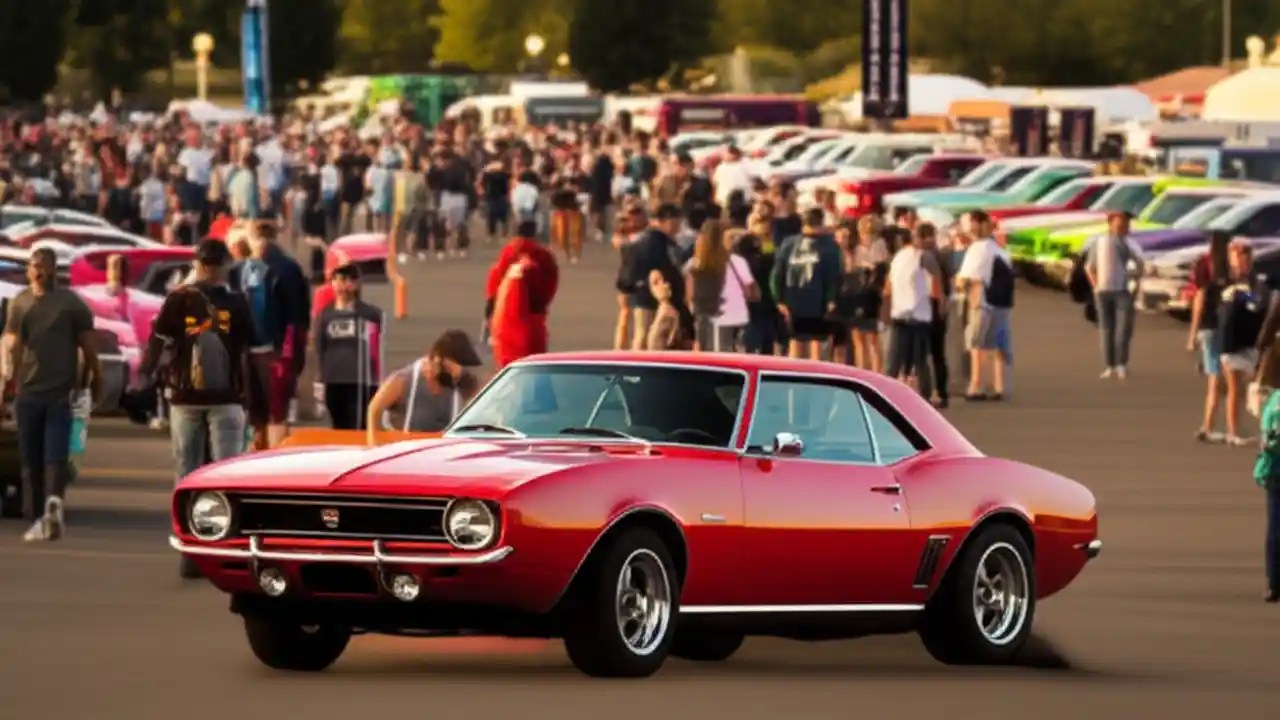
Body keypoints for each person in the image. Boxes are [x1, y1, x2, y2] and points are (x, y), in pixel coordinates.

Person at [138, 239, 260, 575]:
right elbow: (253, 352)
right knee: (225, 477)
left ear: (197, 263)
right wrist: (259, 405)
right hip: (225, 400)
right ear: (224, 265)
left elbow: (157, 343)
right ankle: (223, 548)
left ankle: (191, 551)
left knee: (187, 475)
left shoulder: (178, 299)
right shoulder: (236, 303)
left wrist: (144, 380)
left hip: (186, 399)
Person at [2, 248, 102, 541]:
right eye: (35, 267)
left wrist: (95, 377)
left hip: (60, 393)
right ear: (29, 270)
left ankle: (53, 504)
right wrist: (4, 387)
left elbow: (88, 347)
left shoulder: (71, 304)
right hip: (28, 393)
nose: (40, 272)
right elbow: (13, 347)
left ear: (55, 270)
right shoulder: (20, 303)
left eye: (45, 267)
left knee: (55, 455)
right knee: (30, 460)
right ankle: (37, 517)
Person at [228, 221, 310, 449]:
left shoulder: (282, 269)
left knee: (271, 413)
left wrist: (291, 355)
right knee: (261, 414)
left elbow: (297, 317)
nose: (262, 242)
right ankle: (262, 457)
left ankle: (270, 459)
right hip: (257, 352)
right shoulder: (239, 271)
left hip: (269, 351)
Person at [366, 330, 484, 443]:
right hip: (405, 452)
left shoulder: (459, 382)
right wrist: (375, 443)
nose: (456, 374)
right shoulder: (403, 380)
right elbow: (374, 409)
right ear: (438, 358)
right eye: (452, 368)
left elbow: (485, 397)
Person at [315, 265, 384, 430]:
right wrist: (319, 381)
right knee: (339, 426)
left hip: (360, 380)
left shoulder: (370, 314)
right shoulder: (325, 315)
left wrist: (377, 378)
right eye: (337, 280)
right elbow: (320, 347)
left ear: (356, 284)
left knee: (358, 425)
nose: (342, 285)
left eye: (346, 280)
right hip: (334, 380)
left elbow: (376, 348)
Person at [955, 210, 1013, 401]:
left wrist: (958, 285)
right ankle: (998, 386)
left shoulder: (978, 248)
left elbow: (965, 279)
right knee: (995, 344)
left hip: (981, 302)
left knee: (976, 344)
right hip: (1001, 303)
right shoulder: (998, 249)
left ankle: (976, 385)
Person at [486, 221, 560, 369]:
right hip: (534, 318)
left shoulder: (507, 254)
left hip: (506, 320)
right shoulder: (544, 257)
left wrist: (490, 313)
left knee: (508, 367)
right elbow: (550, 285)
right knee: (536, 366)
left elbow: (493, 286)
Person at [772, 208, 840, 361]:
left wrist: (779, 299)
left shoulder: (788, 243)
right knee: (816, 345)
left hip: (793, 299)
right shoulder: (829, 245)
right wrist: (831, 299)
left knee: (796, 344)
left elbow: (777, 274)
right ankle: (815, 379)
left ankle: (795, 379)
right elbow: (833, 275)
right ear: (821, 222)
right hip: (817, 301)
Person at [883, 223, 943, 397]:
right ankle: (924, 396)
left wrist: (886, 310)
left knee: (894, 360)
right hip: (919, 314)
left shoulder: (897, 258)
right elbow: (936, 280)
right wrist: (939, 304)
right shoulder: (923, 256)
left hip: (899, 314)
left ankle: (885, 395)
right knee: (920, 361)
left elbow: (888, 287)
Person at [1218, 241, 1268, 447]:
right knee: (1237, 389)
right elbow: (1222, 302)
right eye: (1237, 254)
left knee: (1259, 388)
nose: (1241, 258)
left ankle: (1264, 431)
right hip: (1231, 342)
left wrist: (1247, 296)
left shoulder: (1255, 279)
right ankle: (1233, 432)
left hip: (1250, 341)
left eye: (1245, 254)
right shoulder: (1225, 279)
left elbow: (1260, 303)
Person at [1085, 211, 1144, 380]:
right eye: (1120, 224)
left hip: (1123, 291)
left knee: (1123, 329)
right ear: (1110, 224)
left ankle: (1121, 364)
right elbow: (1089, 267)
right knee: (1106, 329)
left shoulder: (1129, 243)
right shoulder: (1100, 242)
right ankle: (1109, 365)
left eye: (1126, 224)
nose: (1124, 227)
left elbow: (1140, 263)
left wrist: (1134, 279)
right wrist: (1096, 286)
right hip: (1103, 292)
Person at [1188, 230, 1233, 442]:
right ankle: (1209, 426)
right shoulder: (1229, 270)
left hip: (1208, 328)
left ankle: (1209, 425)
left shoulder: (1204, 265)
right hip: (1224, 328)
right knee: (1219, 379)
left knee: (1216, 378)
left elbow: (1198, 300)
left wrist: (1192, 334)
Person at [684, 219, 730, 351]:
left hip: (700, 306)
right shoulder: (725, 261)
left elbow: (689, 292)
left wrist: (690, 304)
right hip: (721, 306)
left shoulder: (695, 263)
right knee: (722, 344)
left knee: (700, 340)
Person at [646, 269, 686, 350]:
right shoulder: (662, 311)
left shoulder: (669, 311)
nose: (662, 284)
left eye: (663, 279)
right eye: (656, 283)